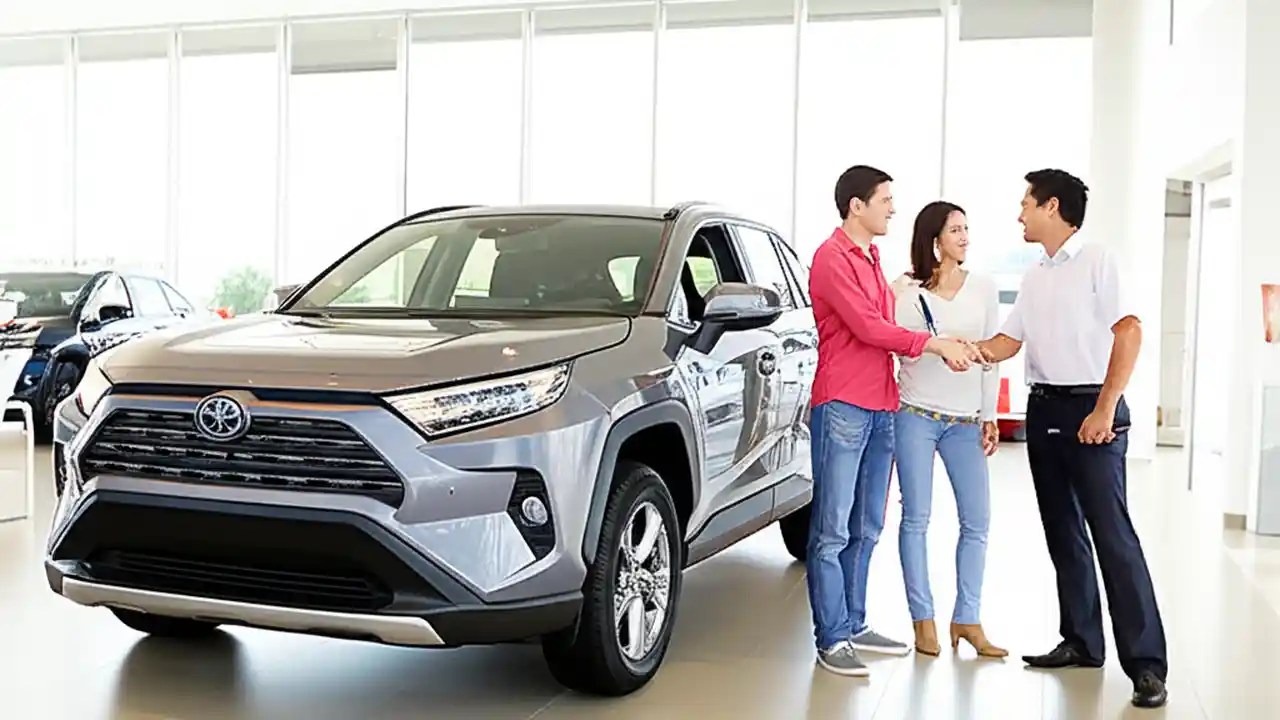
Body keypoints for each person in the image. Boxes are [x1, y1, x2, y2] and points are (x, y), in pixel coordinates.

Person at [976, 169, 1168, 709]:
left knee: (1113, 537)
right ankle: (1082, 641)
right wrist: (950, 345)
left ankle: (1147, 666)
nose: (1019, 214)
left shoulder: (1098, 260)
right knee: (1063, 532)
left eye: (1025, 204)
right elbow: (1007, 342)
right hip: (1045, 409)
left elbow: (1128, 330)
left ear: (1052, 206)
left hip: (1092, 408)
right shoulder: (1036, 273)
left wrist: (1105, 407)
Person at [805, 165, 983, 677]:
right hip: (842, 404)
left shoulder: (872, 257)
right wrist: (933, 343)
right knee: (832, 530)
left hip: (883, 405)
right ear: (855, 206)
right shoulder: (830, 257)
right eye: (884, 200)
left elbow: (880, 310)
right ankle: (831, 636)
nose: (892, 208)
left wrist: (898, 287)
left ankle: (855, 623)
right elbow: (868, 327)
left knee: (868, 525)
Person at [889, 201, 1006, 659]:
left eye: (966, 229)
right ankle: (923, 620)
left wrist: (988, 414)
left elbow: (991, 354)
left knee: (977, 522)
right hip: (915, 413)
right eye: (955, 229)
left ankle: (968, 618)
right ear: (934, 239)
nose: (964, 236)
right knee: (916, 519)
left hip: (964, 423)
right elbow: (893, 345)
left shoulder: (984, 288)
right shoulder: (904, 289)